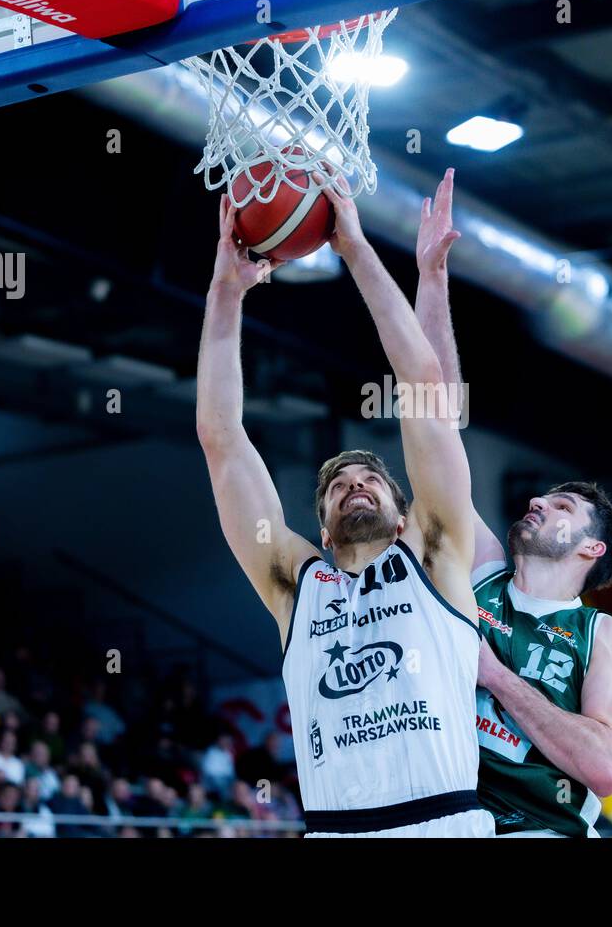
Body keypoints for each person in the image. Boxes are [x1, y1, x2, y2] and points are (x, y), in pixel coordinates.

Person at [196, 189, 490, 837]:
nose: (354, 484)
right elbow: (222, 440)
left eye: (370, 480)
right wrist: (226, 294)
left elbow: (424, 390)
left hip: (442, 823)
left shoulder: (438, 556)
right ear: (323, 531)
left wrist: (355, 248)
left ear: (404, 513)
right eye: (337, 486)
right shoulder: (294, 585)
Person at [414, 169, 612, 837]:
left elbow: (606, 766)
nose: (541, 501)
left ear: (592, 549)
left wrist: (499, 679)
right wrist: (433, 279)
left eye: (565, 506)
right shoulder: (484, 568)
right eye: (546, 497)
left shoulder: (604, 637)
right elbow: (435, 423)